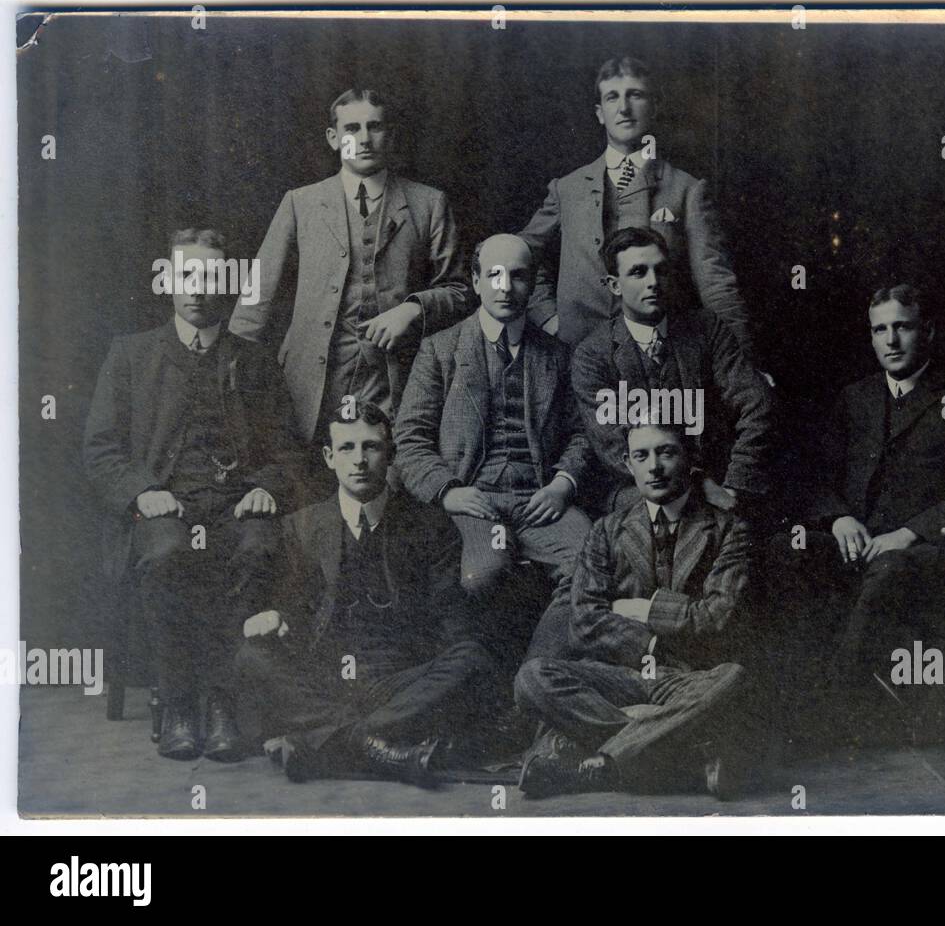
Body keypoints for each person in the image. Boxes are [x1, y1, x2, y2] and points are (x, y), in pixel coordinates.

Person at [84, 227, 298, 761]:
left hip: (234, 505)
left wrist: (266, 488)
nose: (198, 289)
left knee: (257, 549)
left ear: (228, 285)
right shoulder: (131, 355)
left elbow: (290, 451)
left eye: (210, 277)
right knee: (168, 554)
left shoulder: (254, 361)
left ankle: (224, 703)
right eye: (186, 276)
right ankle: (179, 702)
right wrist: (142, 492)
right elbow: (102, 448)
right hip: (167, 506)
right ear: (168, 281)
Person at [236, 403, 496, 786]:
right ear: (329, 457)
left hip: (400, 683)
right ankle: (368, 745)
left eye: (371, 447)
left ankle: (325, 741)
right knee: (250, 656)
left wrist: (447, 674)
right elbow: (294, 611)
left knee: (472, 658)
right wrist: (277, 618)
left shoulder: (429, 525)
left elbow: (451, 619)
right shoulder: (301, 526)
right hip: (324, 678)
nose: (359, 460)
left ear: (390, 455)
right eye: (346, 449)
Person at [514, 421, 754, 799]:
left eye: (667, 452)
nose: (654, 466)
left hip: (687, 677)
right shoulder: (607, 531)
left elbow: (718, 617)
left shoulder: (728, 530)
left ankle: (604, 763)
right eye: (642, 456)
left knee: (733, 678)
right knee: (533, 677)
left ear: (689, 459)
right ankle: (673, 753)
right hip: (617, 674)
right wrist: (654, 645)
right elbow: (585, 621)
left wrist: (645, 609)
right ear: (629, 465)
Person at [785, 283, 945, 689]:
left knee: (887, 572)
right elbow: (818, 477)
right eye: (879, 329)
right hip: (858, 541)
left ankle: (832, 704)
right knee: (785, 554)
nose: (891, 340)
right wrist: (839, 519)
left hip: (926, 548)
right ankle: (782, 696)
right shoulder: (855, 398)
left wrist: (908, 534)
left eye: (902, 327)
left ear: (928, 331)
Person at [230, 88, 472, 446]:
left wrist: (413, 309)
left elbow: (460, 291)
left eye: (374, 127)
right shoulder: (301, 203)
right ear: (333, 138)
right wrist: (234, 361)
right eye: (351, 129)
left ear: (390, 136)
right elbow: (257, 292)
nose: (363, 139)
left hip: (394, 379)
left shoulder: (428, 203)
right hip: (312, 380)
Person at [393, 234, 593, 640]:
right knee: (481, 576)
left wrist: (561, 484)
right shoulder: (440, 349)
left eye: (518, 276)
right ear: (476, 280)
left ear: (532, 282)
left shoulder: (558, 355)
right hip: (474, 500)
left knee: (592, 568)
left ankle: (539, 675)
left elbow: (582, 434)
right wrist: (447, 491)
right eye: (495, 275)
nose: (505, 287)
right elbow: (409, 437)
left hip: (540, 500)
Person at [517, 57, 756, 359]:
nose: (624, 109)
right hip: (575, 357)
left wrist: (743, 363)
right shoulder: (567, 188)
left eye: (636, 95)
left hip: (659, 362)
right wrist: (548, 317)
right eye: (612, 97)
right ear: (599, 113)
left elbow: (716, 285)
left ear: (654, 106)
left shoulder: (686, 189)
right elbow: (520, 255)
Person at [571, 226, 773, 512]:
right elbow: (614, 448)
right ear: (614, 285)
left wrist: (736, 483)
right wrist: (694, 481)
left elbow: (758, 404)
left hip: (722, 483)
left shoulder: (707, 329)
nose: (653, 282)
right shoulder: (592, 355)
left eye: (661, 271)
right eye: (638, 273)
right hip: (638, 488)